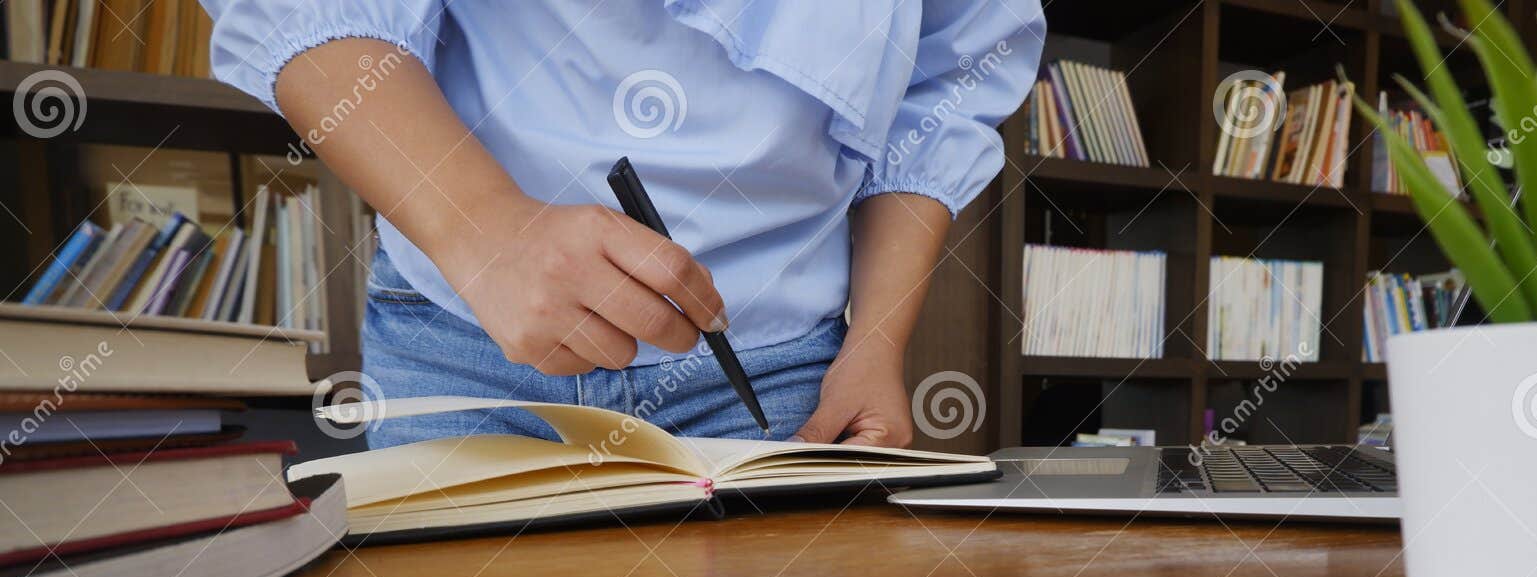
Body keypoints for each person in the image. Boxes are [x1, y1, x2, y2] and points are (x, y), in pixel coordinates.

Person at [204, 2, 1043, 448]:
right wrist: (486, 231)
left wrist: (877, 347)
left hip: (784, 373)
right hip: (463, 342)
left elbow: (948, 85)